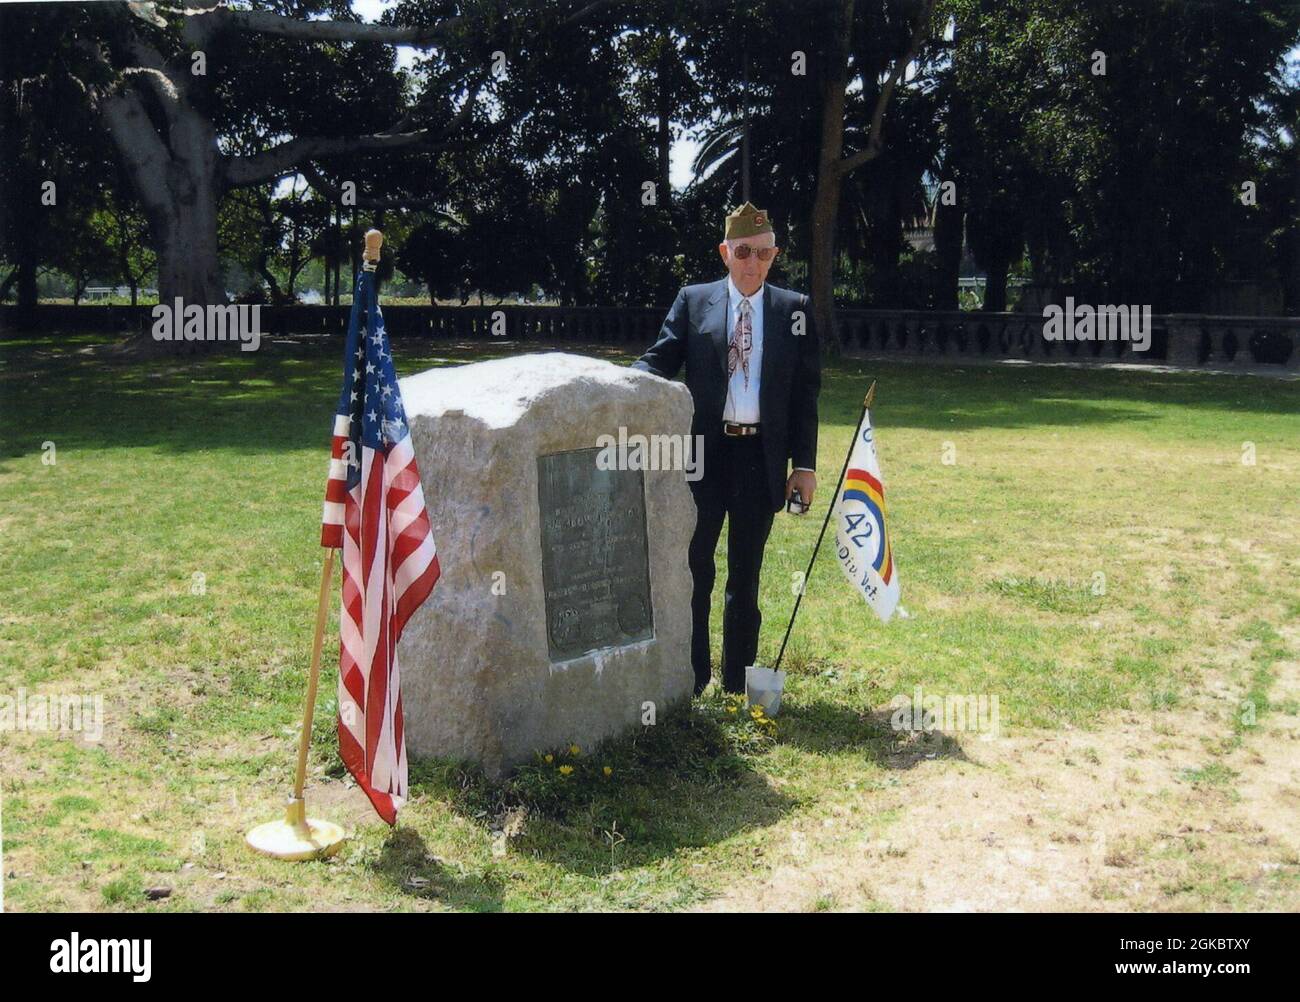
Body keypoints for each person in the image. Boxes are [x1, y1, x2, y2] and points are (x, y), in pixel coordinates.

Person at [632, 202, 822, 695]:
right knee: (695, 569)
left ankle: (738, 684)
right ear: (724, 253)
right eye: (742, 252)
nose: (752, 263)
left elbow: (806, 394)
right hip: (703, 459)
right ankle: (692, 680)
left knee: (746, 577)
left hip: (761, 460)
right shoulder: (694, 302)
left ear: (774, 255)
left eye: (762, 253)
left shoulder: (794, 310)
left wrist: (804, 465)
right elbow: (659, 361)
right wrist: (614, 387)